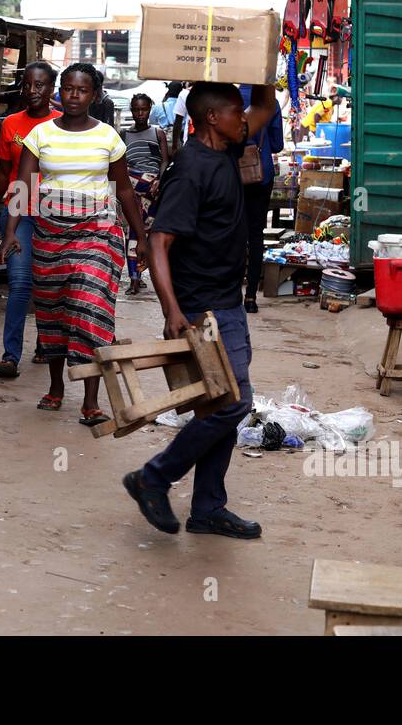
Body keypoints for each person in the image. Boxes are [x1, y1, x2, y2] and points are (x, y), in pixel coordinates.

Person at [123, 79, 276, 540]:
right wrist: (172, 310)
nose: (244, 118)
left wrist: (259, 57)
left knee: (215, 410)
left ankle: (208, 508)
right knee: (234, 404)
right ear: (213, 118)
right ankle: (154, 476)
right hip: (201, 308)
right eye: (235, 111)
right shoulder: (191, 170)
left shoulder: (226, 148)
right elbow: (158, 244)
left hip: (226, 302)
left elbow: (266, 104)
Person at [3, 62, 148, 426]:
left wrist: (140, 236)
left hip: (97, 233)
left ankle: (90, 401)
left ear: (94, 95)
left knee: (90, 306)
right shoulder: (40, 136)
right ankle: (55, 388)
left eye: (81, 90)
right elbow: (24, 186)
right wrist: (10, 233)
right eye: (67, 88)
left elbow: (125, 189)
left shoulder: (108, 137)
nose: (73, 96)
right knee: (53, 313)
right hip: (50, 234)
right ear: (59, 91)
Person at [0, 61, 60, 378]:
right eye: (27, 85)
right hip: (19, 209)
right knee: (20, 282)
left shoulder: (63, 122)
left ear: (52, 88)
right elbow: (3, 173)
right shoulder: (11, 123)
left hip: (55, 210)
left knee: (51, 282)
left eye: (39, 85)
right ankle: (10, 355)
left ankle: (46, 343)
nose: (32, 91)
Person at [239, 83, 286, 313]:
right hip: (261, 173)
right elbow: (277, 145)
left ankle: (230, 292)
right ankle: (250, 298)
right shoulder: (270, 103)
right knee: (256, 235)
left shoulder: (231, 98)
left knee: (233, 231)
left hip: (233, 174)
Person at [119, 93, 169, 295]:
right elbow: (119, 166)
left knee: (146, 233)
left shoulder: (158, 134)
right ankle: (133, 278)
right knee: (133, 230)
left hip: (153, 190)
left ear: (150, 109)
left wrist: (160, 180)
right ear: (131, 110)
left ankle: (138, 273)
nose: (140, 114)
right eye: (136, 110)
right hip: (132, 189)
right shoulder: (123, 135)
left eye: (144, 109)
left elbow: (165, 161)